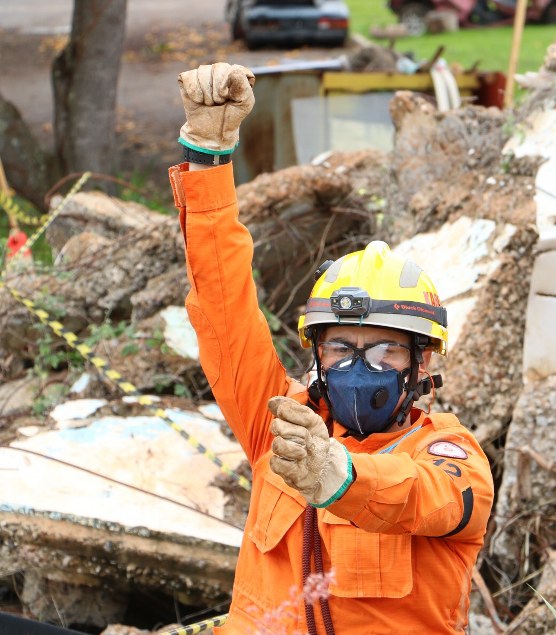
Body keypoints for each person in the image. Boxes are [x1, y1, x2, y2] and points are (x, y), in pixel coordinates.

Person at [169, 64, 493, 634]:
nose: (358, 367)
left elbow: (426, 497)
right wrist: (208, 161)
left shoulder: (450, 456)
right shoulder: (281, 426)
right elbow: (223, 307)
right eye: (342, 345)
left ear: (424, 360)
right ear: (316, 351)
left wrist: (340, 477)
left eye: (385, 350)